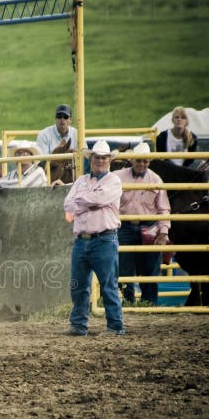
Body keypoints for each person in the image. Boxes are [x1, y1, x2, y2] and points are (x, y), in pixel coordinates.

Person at [62, 140, 125, 336]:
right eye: (97, 157)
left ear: (109, 160)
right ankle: (79, 324)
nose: (100, 160)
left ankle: (115, 326)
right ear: (91, 159)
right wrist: (89, 202)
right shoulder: (82, 180)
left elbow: (93, 200)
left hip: (103, 239)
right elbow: (67, 205)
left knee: (108, 284)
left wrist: (82, 201)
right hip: (83, 239)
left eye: (104, 157)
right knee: (78, 284)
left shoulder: (113, 180)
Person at [113, 142, 171, 305]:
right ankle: (127, 303)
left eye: (145, 161)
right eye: (139, 160)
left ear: (149, 162)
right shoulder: (117, 177)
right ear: (132, 160)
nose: (142, 164)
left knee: (151, 269)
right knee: (123, 269)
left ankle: (149, 305)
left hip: (150, 225)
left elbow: (164, 208)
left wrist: (163, 232)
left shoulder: (156, 179)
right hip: (124, 225)